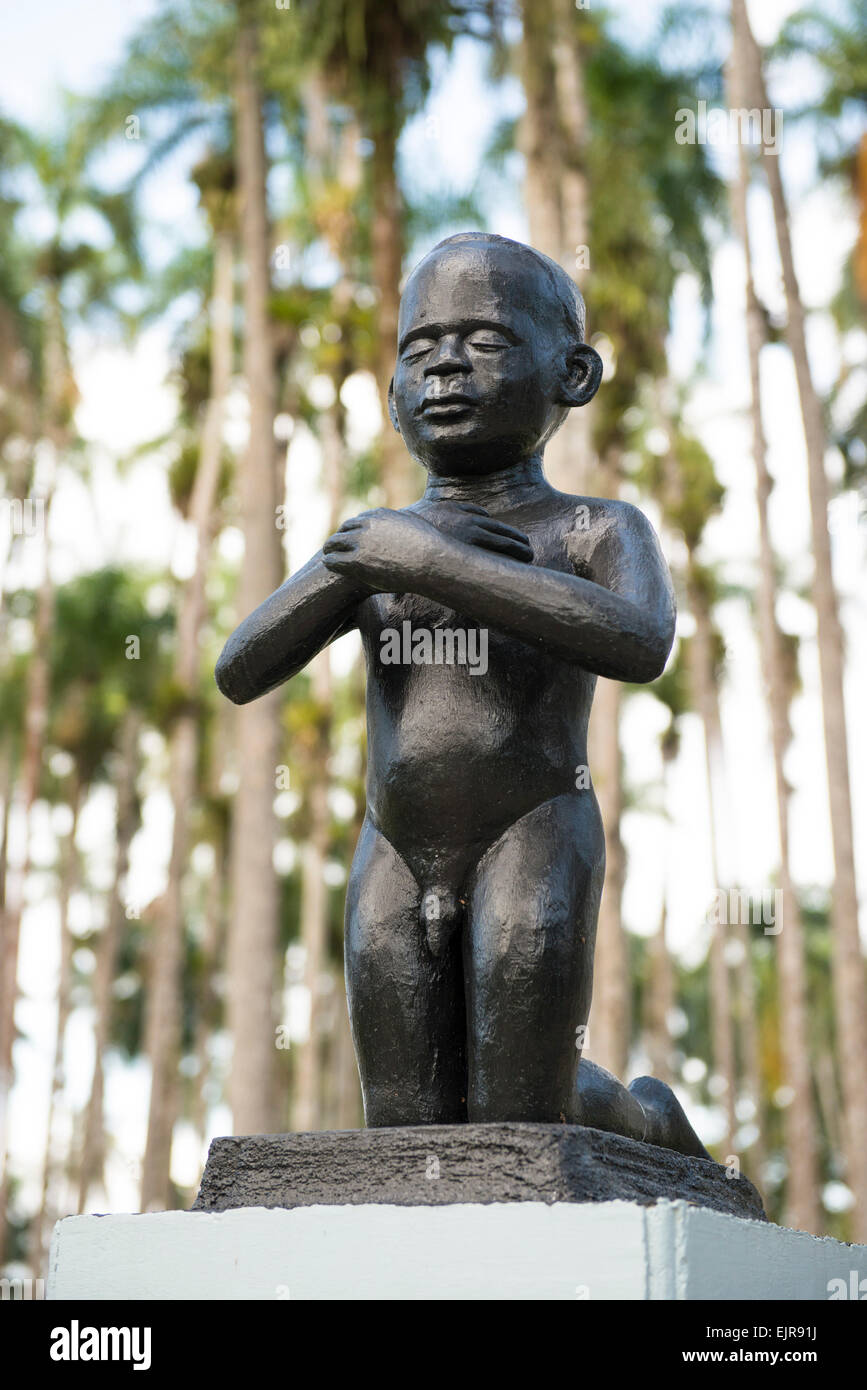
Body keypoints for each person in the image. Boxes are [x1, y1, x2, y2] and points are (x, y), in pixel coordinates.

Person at [216, 232, 709, 1159]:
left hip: (534, 826)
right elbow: (240, 669)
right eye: (418, 346)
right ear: (396, 391)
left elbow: (639, 641)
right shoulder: (375, 545)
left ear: (572, 374)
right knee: (410, 1130)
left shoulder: (592, 527)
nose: (443, 363)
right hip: (394, 845)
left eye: (483, 340)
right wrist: (364, 564)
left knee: (517, 1116)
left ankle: (645, 1116)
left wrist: (435, 560)